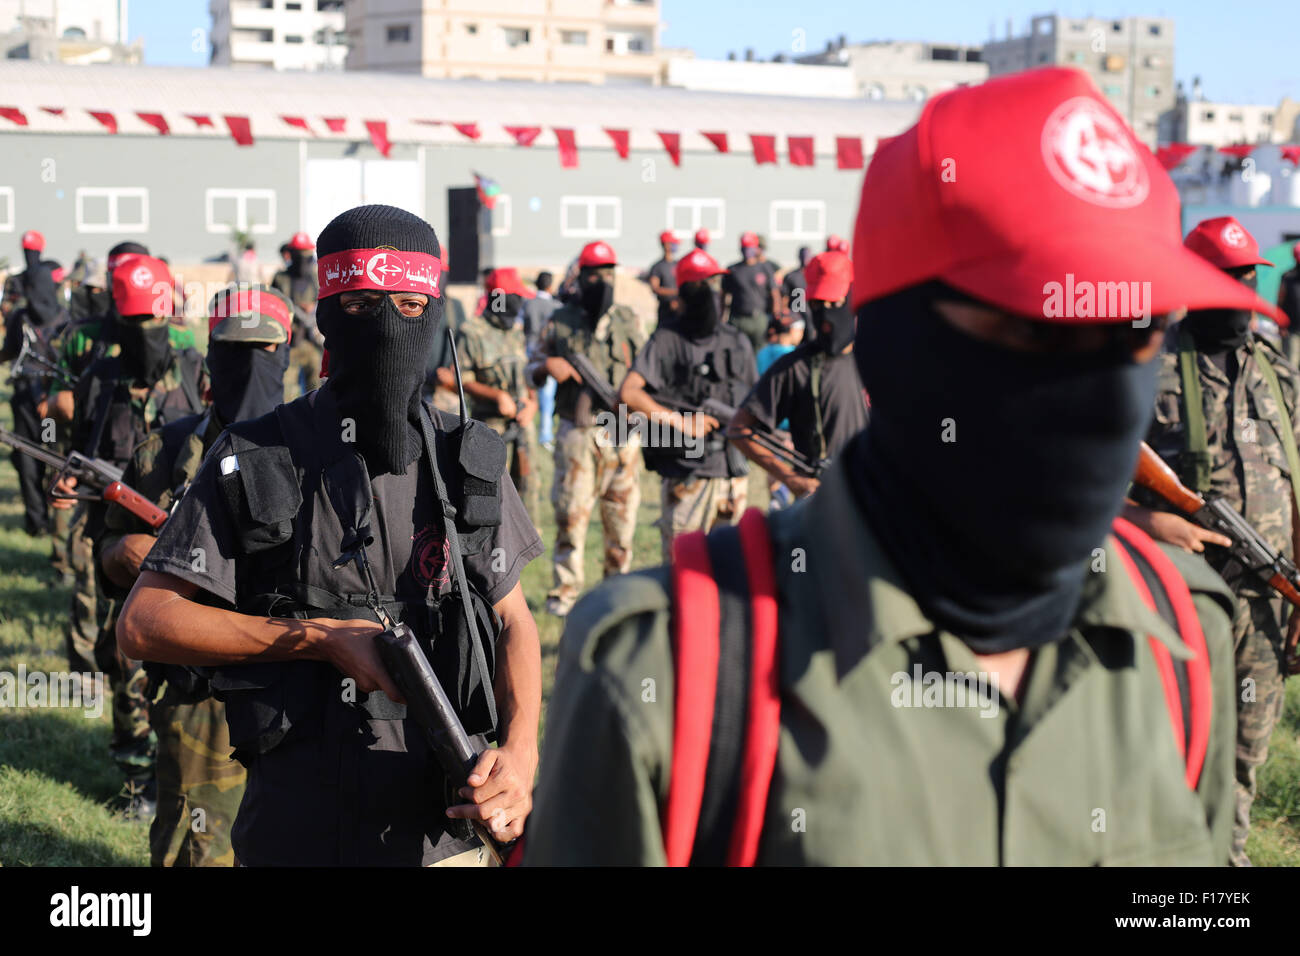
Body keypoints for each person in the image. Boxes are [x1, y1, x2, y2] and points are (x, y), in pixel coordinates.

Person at [524, 67, 1258, 866]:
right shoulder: (666, 672)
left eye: (1139, 328)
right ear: (905, 339)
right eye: (1039, 328)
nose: (1103, 387)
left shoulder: (1186, 640)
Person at [117, 204, 544, 866]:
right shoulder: (254, 455)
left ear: (434, 318)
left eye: (409, 306)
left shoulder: (468, 461)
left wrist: (520, 752)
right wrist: (319, 641)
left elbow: (513, 619)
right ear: (323, 314)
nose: (388, 329)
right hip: (299, 823)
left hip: (443, 825)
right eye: (362, 305)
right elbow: (144, 623)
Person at [1123, 215, 1299, 866]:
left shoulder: (1276, 369)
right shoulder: (1146, 363)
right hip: (1177, 603)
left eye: (1249, 277)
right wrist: (1149, 523)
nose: (1242, 290)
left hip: (1266, 604)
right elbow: (1082, 475)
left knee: (1244, 756)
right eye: (1228, 279)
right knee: (1169, 748)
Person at [99, 284, 293, 866]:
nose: (250, 368)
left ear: (286, 358)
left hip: (301, 686)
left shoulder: (323, 450)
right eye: (235, 353)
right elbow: (108, 555)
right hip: (201, 697)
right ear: (209, 357)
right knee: (197, 851)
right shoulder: (165, 454)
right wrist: (127, 552)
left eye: (265, 353)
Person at [54, 254, 207, 821]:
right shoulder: (99, 379)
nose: (146, 337)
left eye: (154, 324)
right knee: (122, 654)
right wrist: (68, 483)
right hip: (117, 539)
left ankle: (188, 769)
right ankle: (138, 777)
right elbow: (79, 450)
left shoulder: (196, 368)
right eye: (134, 324)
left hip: (187, 538)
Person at [526, 240, 645, 617]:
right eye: (594, 274)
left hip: (621, 430)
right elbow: (530, 367)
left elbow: (646, 370)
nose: (602, 281)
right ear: (581, 276)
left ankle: (617, 589)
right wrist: (550, 368)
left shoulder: (628, 319)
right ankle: (565, 592)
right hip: (578, 433)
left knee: (622, 518)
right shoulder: (560, 320)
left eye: (608, 273)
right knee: (571, 514)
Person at [619, 248, 756, 561]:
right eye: (705, 286)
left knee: (732, 575)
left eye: (716, 286)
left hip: (733, 476)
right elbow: (629, 393)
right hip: (688, 478)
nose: (714, 294)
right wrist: (682, 423)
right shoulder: (667, 339)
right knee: (684, 575)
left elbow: (754, 399)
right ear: (685, 293)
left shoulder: (736, 340)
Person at [732, 250, 868, 499]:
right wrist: (789, 477)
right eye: (816, 305)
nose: (825, 315)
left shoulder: (880, 357)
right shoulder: (795, 366)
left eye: (834, 303)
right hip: (823, 502)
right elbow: (740, 428)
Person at [457, 268, 540, 525]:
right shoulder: (472, 331)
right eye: (514, 297)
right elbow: (462, 378)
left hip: (522, 425)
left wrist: (532, 403)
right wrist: (496, 396)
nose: (518, 304)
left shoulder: (516, 331)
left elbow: (526, 373)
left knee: (528, 490)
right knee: (492, 494)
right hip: (490, 427)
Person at [0, 230, 66, 537]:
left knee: (40, 459)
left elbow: (10, 352)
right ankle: (45, 522)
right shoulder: (57, 319)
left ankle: (44, 524)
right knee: (39, 458)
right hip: (40, 401)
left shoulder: (31, 319)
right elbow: (10, 351)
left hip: (40, 401)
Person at [271, 231, 322, 399]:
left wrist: (312, 307)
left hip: (312, 342)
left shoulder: (316, 278)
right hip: (289, 343)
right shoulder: (281, 279)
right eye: (299, 255)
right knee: (285, 389)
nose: (303, 261)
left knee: (316, 388)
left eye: (306, 256)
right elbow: (272, 306)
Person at [723, 232, 779, 355]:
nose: (747, 251)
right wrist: (722, 318)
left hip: (759, 319)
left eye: (749, 247)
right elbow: (724, 296)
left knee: (760, 353)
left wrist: (776, 317)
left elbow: (775, 294)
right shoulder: (732, 270)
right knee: (737, 352)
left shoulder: (765, 268)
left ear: (756, 249)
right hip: (738, 319)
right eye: (744, 247)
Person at [524, 272, 561, 449]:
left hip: (529, 348)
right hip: (547, 353)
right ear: (549, 286)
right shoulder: (556, 306)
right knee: (547, 397)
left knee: (528, 391)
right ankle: (545, 435)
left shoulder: (528, 304)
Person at [646, 230, 680, 327]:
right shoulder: (658, 267)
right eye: (673, 243)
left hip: (679, 308)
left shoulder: (678, 265)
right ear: (666, 245)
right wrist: (675, 293)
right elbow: (655, 288)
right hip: (665, 309)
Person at [1276, 241, 1300, 367]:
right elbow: (1280, 301)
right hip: (1291, 329)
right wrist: (1280, 323)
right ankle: (1294, 388)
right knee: (1291, 365)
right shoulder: (1287, 277)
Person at [781, 247, 811, 328]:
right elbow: (784, 296)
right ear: (799, 257)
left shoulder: (815, 276)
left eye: (807, 256)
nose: (805, 258)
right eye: (803, 255)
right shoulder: (791, 276)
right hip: (796, 316)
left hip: (811, 315)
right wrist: (784, 311)